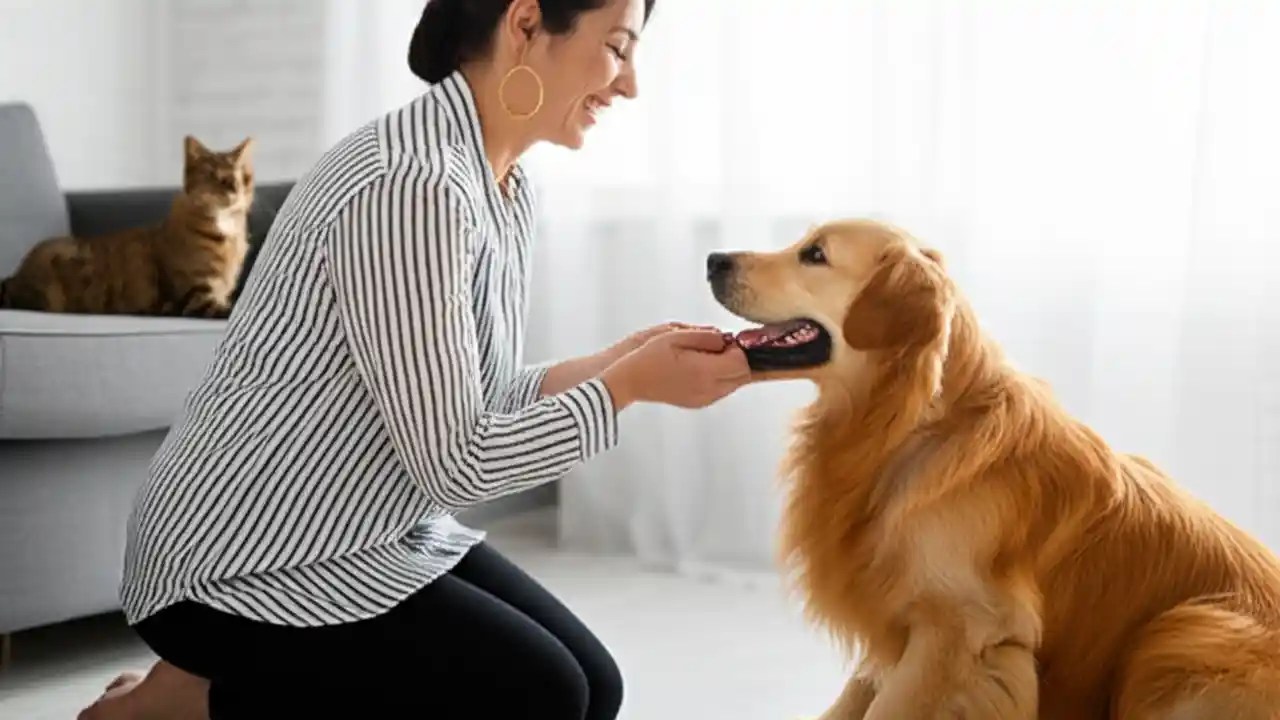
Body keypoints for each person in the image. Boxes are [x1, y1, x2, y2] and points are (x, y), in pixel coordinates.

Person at [78, 0, 751, 718]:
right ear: (524, 24)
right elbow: (459, 462)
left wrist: (626, 363)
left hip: (365, 532)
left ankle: (201, 694)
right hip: (240, 560)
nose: (630, 85)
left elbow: (481, 395)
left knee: (594, 688)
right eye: (618, 47)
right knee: (543, 696)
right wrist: (625, 389)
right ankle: (183, 702)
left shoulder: (502, 185)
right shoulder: (413, 185)